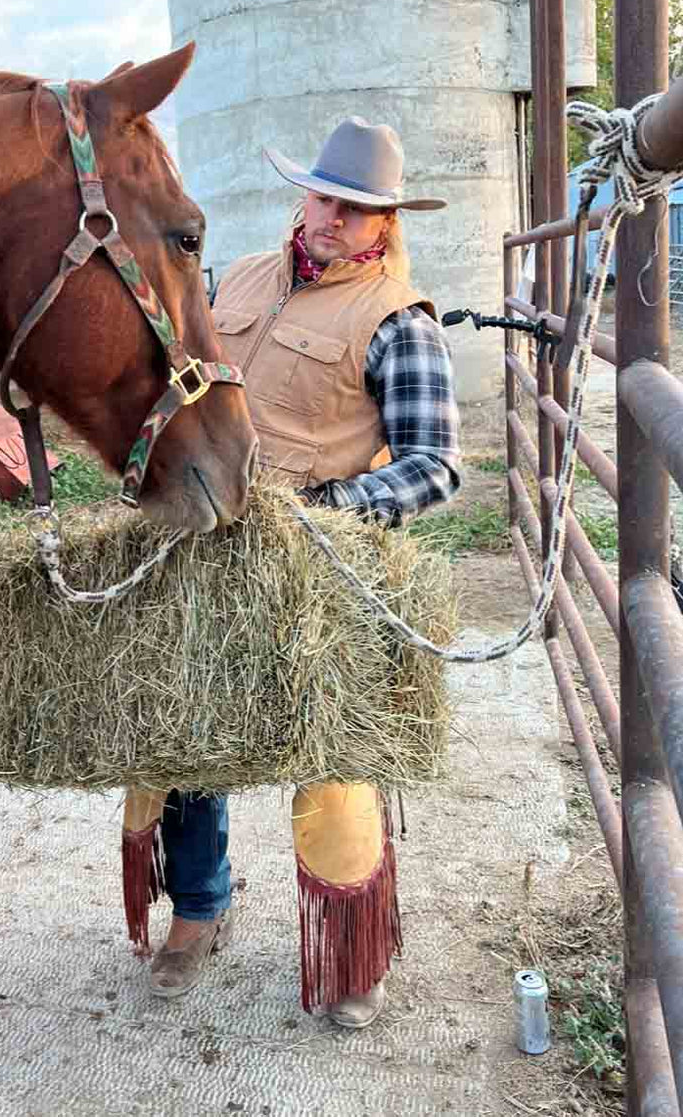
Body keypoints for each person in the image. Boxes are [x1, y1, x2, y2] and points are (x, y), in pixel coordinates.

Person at [121, 117, 462, 1029]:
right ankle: (199, 907)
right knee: (188, 725)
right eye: (324, 198)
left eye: (357, 210)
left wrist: (329, 511)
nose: (333, 220)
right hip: (212, 539)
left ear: (385, 222)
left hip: (319, 562)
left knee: (333, 755)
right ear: (302, 195)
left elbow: (434, 464)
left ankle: (352, 953)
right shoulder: (236, 280)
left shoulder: (397, 320)